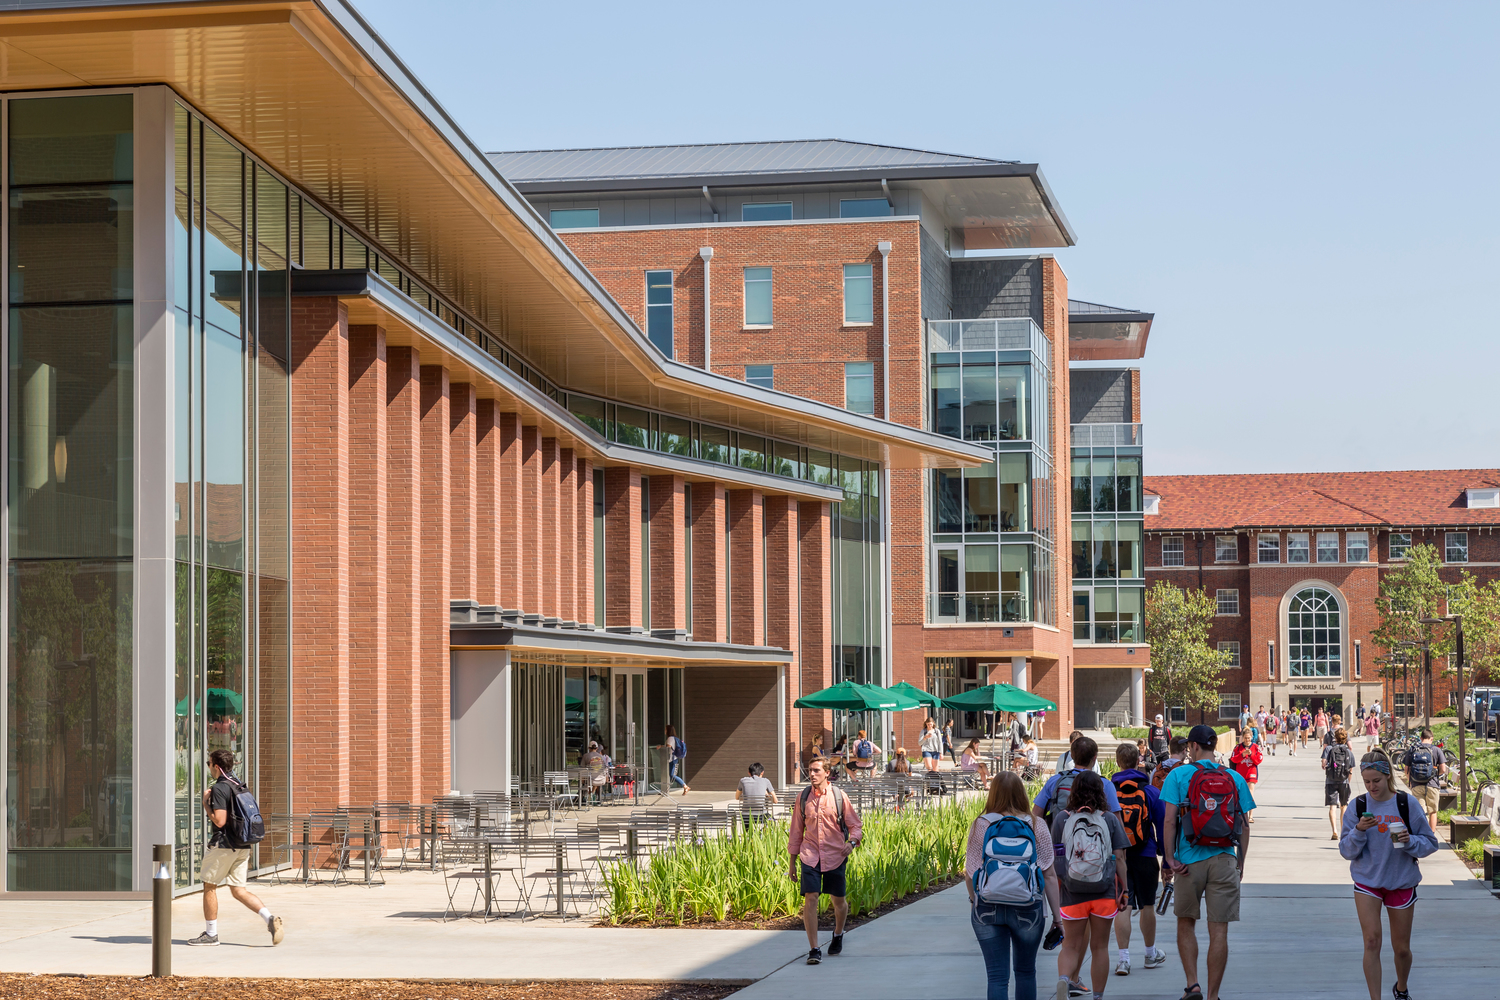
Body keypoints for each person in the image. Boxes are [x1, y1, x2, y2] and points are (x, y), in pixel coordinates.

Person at [1161, 724, 1255, 1000]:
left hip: (1188, 863)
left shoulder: (1178, 774)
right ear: (1214, 746)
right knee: (1219, 931)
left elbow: (1169, 820)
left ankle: (1193, 986)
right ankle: (1213, 996)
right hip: (1225, 859)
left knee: (1185, 923)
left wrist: (1169, 858)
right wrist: (1240, 863)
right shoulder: (1234, 777)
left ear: (1192, 746)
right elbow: (1245, 825)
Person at [1339, 748, 1438, 1000]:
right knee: (1371, 941)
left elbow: (1430, 843)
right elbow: (1346, 851)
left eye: (1377, 781)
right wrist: (1359, 830)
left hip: (1401, 881)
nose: (1372, 787)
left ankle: (1401, 989)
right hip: (1367, 881)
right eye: (1367, 781)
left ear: (1388, 777)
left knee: (1401, 949)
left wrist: (1409, 841)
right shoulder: (1357, 806)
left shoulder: (1406, 803)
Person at [966, 771, 1062, 1000]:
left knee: (997, 977)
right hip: (1028, 910)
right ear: (1022, 794)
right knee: (1026, 972)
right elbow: (1049, 874)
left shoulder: (981, 824)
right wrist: (1058, 919)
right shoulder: (1036, 825)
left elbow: (970, 873)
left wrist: (974, 902)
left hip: (987, 909)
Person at [187, 750, 284, 947]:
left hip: (224, 845)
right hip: (243, 845)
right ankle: (269, 918)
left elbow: (220, 821)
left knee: (209, 885)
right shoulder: (239, 785)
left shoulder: (220, 788)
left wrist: (206, 804)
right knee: (238, 890)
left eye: (209, 763)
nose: (208, 766)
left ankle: (211, 934)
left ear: (216, 766)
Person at [1049, 770, 1129, 1000]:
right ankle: (1098, 997)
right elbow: (1120, 859)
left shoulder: (1062, 819)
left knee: (1071, 946)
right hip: (1103, 892)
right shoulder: (1109, 819)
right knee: (1100, 947)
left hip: (1071, 892)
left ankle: (1065, 979)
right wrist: (1124, 891)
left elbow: (1057, 859)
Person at [788, 757, 862, 965]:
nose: (812, 774)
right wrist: (792, 862)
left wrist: (852, 842)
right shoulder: (803, 798)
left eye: (816, 770)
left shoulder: (839, 796)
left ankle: (838, 933)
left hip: (835, 856)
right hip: (810, 855)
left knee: (838, 902)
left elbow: (855, 826)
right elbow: (796, 831)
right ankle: (814, 949)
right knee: (811, 897)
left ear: (827, 773)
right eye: (810, 770)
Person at [1110, 742, 1168, 976]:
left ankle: (1124, 960)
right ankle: (1150, 953)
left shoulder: (1108, 790)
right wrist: (1165, 857)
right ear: (1138, 762)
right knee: (1147, 906)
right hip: (1145, 854)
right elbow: (1163, 825)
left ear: (1117, 762)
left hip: (1117, 856)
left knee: (1123, 905)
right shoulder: (1150, 791)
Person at [1034, 736, 1121, 823]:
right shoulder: (1105, 784)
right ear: (1094, 758)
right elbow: (1116, 822)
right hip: (1097, 835)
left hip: (1061, 834)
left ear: (1071, 756)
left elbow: (1036, 814)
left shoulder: (1055, 781)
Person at [1400, 727, 1448, 827]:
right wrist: (1434, 775)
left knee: (1420, 812)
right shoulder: (1436, 750)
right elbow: (1443, 769)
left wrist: (1411, 781)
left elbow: (1406, 770)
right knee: (1433, 812)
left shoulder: (1413, 749)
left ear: (1421, 738)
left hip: (1416, 784)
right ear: (1431, 738)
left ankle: (1423, 834)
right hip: (1432, 784)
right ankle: (1432, 835)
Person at [1322, 727, 1357, 840]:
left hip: (1330, 781)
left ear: (1335, 738)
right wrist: (1347, 782)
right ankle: (1343, 832)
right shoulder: (1348, 752)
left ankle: (1334, 831)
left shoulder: (1328, 749)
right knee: (1344, 806)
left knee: (1332, 806)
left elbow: (1323, 765)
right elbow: (1350, 769)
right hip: (1344, 781)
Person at [1228, 729, 1262, 824]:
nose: (1247, 740)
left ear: (1251, 737)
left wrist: (1251, 755)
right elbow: (1233, 759)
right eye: (1245, 738)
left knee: (1250, 793)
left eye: (1248, 738)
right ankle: (1242, 814)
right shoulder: (1238, 747)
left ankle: (1250, 816)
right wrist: (1242, 755)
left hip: (1251, 772)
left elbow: (1259, 760)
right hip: (1240, 773)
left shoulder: (1255, 747)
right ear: (1242, 738)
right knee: (1240, 794)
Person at [662, 724, 690, 795]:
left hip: (671, 759)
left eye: (665, 729)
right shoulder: (674, 738)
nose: (664, 731)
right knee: (670, 775)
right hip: (673, 759)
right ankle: (684, 786)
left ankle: (685, 786)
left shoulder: (670, 738)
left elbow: (668, 748)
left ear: (668, 730)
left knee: (672, 775)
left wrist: (661, 746)